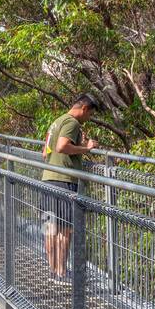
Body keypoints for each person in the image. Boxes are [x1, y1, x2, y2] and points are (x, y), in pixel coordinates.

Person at [41, 94, 101, 282]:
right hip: (64, 181)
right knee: (65, 230)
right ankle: (61, 272)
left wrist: (78, 146)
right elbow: (62, 147)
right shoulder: (73, 123)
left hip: (48, 179)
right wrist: (87, 148)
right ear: (84, 109)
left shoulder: (56, 122)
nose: (88, 119)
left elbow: (45, 153)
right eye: (89, 115)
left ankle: (52, 271)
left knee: (50, 229)